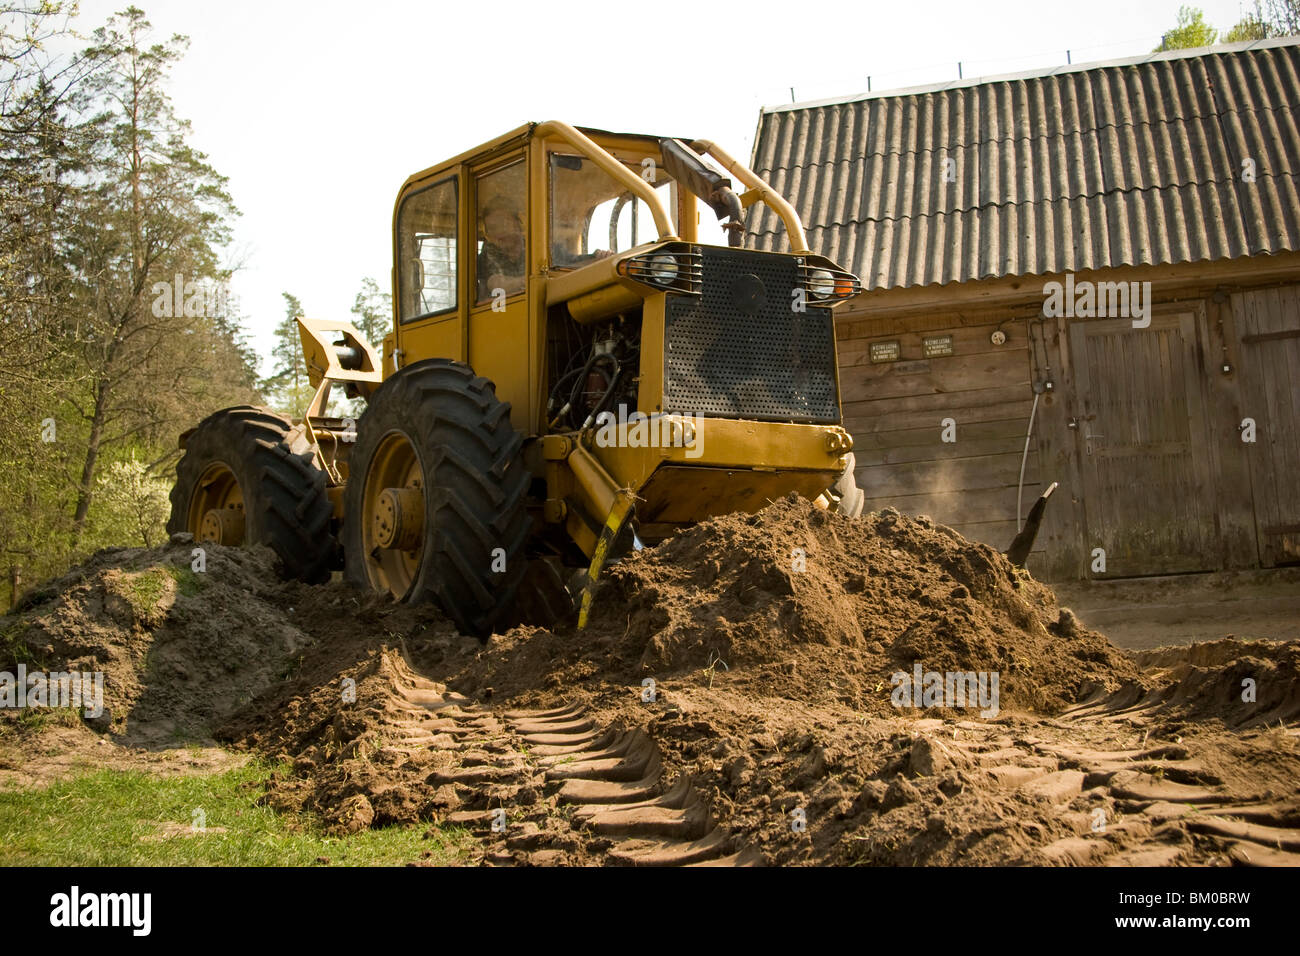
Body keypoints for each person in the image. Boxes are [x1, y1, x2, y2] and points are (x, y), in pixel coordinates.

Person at [478, 201, 526, 301]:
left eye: (504, 223)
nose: (499, 232)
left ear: (518, 222)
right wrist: (526, 282)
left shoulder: (537, 248)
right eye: (492, 228)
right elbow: (496, 285)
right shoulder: (486, 256)